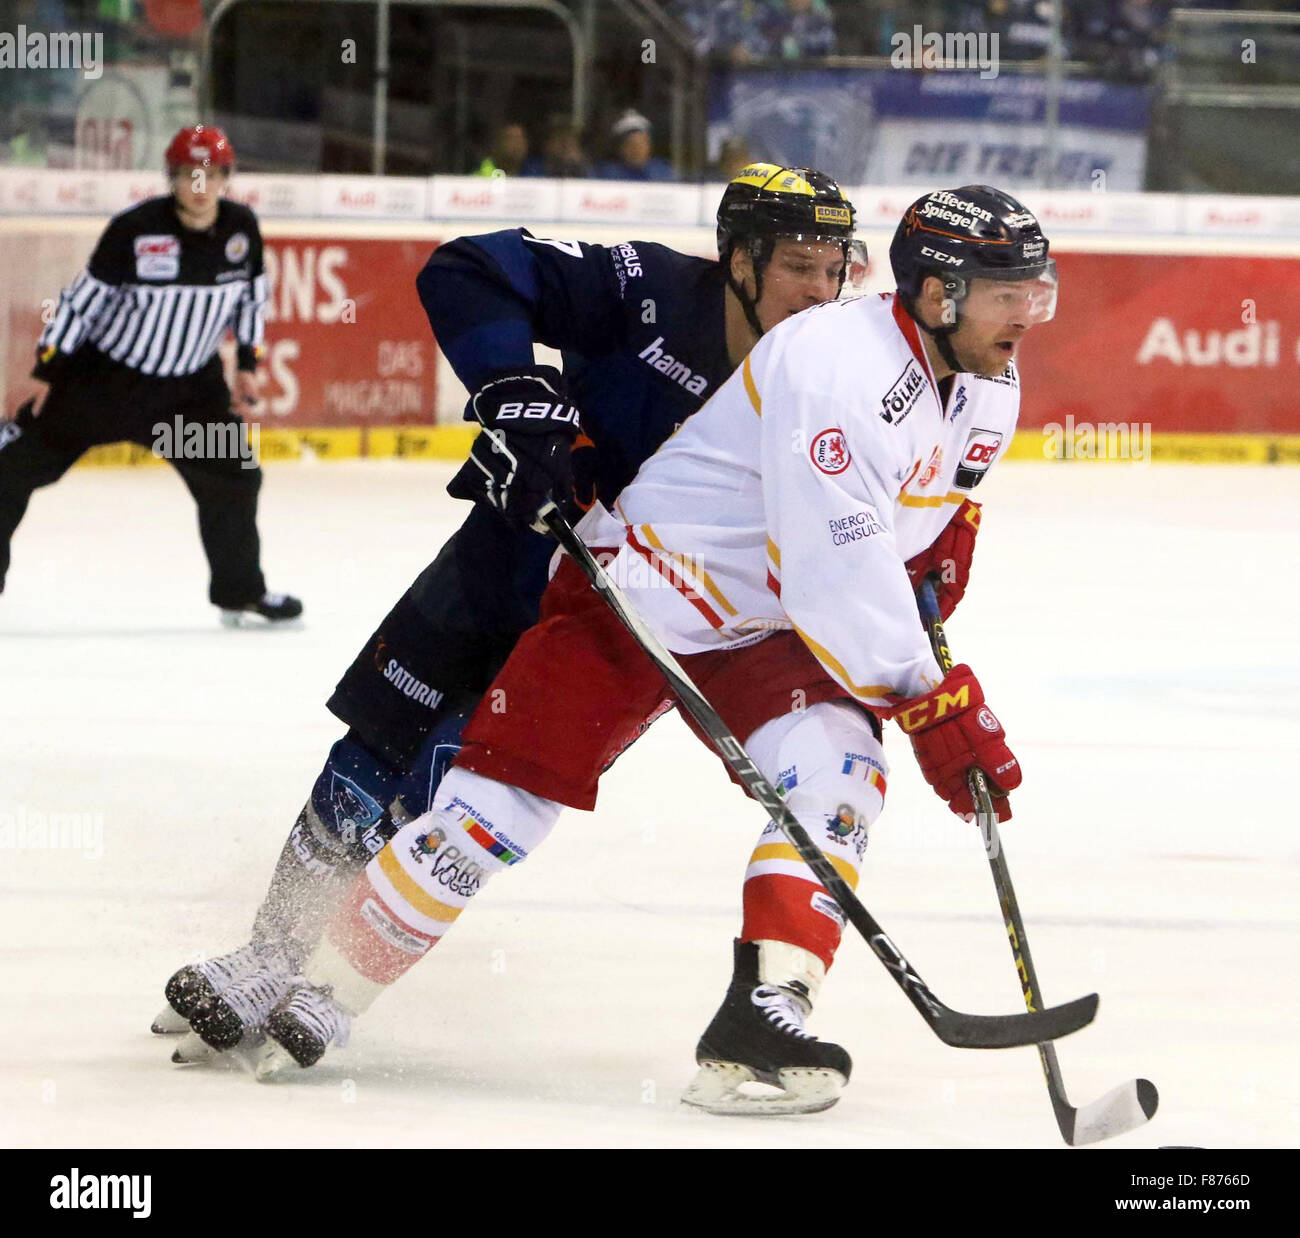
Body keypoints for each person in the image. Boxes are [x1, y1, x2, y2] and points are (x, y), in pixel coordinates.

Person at [224, 186, 1059, 1111]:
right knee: (498, 807)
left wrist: (937, 554)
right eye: (1009, 291)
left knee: (841, 768)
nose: (1030, 312)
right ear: (939, 295)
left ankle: (762, 1015)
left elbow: (918, 516)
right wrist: (931, 700)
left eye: (1038, 290)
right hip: (646, 590)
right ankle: (325, 987)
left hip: (763, 620)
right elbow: (836, 574)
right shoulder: (835, 367)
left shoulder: (990, 383)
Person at [155, 164, 863, 1056]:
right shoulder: (644, 290)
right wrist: (514, 394)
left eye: (836, 264)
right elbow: (465, 267)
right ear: (738, 257)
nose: (822, 288)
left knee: (450, 779)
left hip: (609, 624)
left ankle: (314, 968)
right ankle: (268, 949)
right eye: (800, 262)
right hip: (503, 555)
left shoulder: (828, 374)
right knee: (373, 742)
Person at [0, 124, 300, 623]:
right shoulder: (135, 229)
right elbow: (80, 306)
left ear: (227, 178)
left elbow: (252, 298)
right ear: (172, 179)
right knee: (8, 468)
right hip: (102, 384)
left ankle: (240, 591)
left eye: (210, 174)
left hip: (188, 396)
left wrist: (248, 365)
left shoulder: (241, 229)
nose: (199, 187)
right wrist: (44, 371)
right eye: (188, 175)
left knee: (235, 476)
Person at [593, 110, 676, 182]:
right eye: (631, 144)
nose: (637, 150)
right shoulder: (605, 173)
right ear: (620, 148)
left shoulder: (663, 172)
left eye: (642, 143)